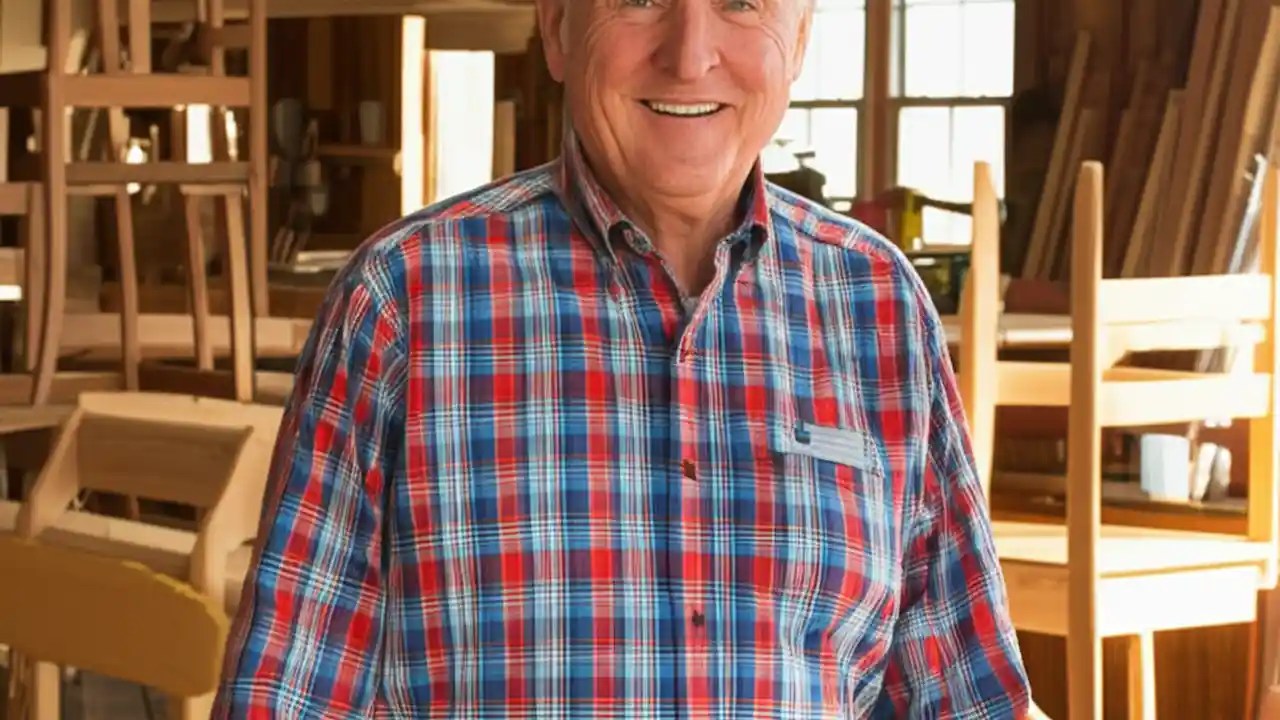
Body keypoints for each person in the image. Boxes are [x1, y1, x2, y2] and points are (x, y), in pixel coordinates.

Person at [211, 0, 1032, 714]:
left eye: (743, 3)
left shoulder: (878, 308)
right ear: (558, 28)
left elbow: (969, 701)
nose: (689, 54)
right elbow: (289, 698)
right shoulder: (402, 303)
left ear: (802, 38)